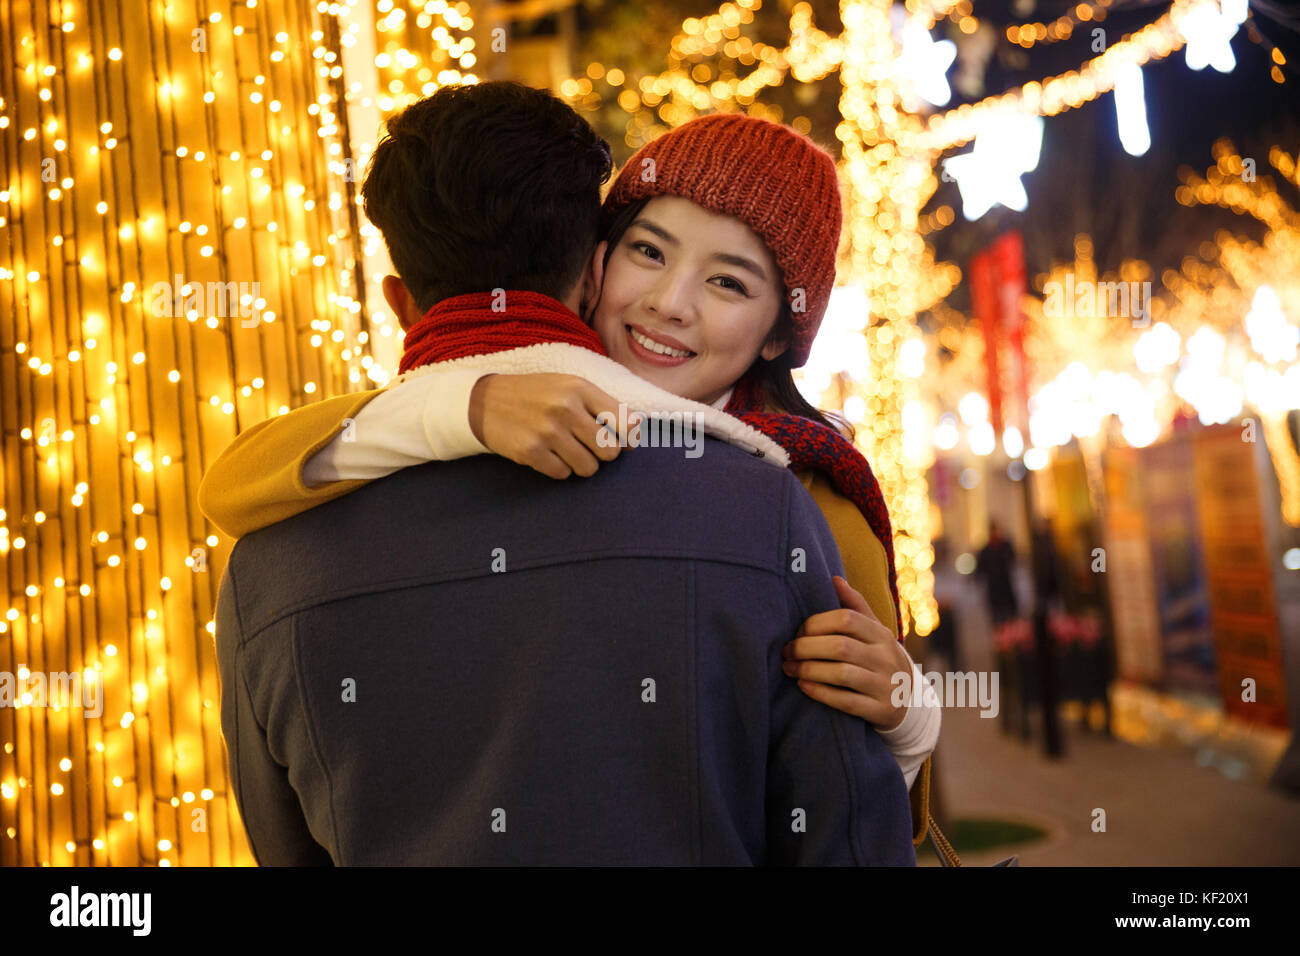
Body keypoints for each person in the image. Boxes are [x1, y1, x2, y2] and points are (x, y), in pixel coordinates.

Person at [207, 82, 922, 865]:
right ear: (594, 269)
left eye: (729, 282)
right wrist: (468, 407)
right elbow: (844, 837)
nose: (669, 303)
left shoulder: (810, 499)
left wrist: (912, 724)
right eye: (649, 251)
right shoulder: (764, 511)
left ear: (782, 335)